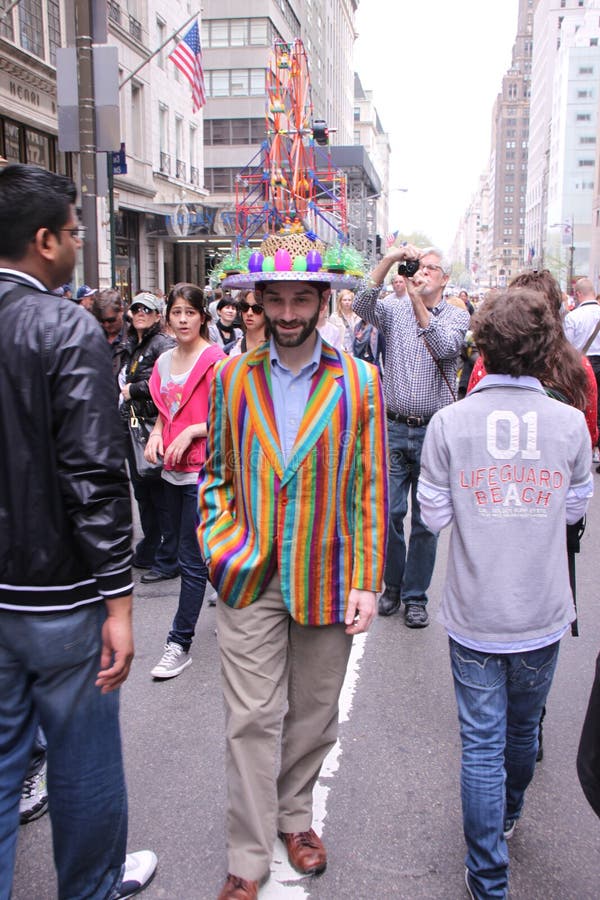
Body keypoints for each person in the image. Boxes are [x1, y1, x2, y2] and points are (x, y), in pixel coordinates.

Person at [198, 235, 388, 900]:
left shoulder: (360, 382)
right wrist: (219, 544)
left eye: (299, 297)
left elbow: (370, 487)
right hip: (247, 576)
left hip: (327, 575)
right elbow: (215, 473)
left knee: (313, 713)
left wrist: (367, 578)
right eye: (273, 298)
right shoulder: (229, 377)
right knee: (250, 718)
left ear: (322, 300)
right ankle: (247, 858)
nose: (285, 311)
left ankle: (294, 816)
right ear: (255, 301)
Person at [0, 163, 156, 898]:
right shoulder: (65, 326)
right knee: (83, 759)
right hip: (56, 594)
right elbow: (93, 473)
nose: (76, 241)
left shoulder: (62, 321)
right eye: (71, 232)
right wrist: (118, 602)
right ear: (43, 242)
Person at [417, 288, 593, 900]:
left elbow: (433, 517)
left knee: (482, 744)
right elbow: (574, 507)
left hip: (475, 610)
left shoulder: (449, 422)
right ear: (546, 350)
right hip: (542, 608)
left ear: (482, 347)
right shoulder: (569, 424)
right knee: (522, 733)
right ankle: (510, 811)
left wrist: (481, 504)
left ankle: (488, 876)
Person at [354, 244, 470, 627]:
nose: (422, 274)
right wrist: (390, 260)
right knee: (389, 513)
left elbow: (444, 345)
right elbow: (361, 302)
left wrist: (418, 302)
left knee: (425, 521)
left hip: (433, 431)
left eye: (431, 270)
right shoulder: (393, 308)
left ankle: (416, 597)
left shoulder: (455, 315)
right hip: (392, 426)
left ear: (445, 278)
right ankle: (392, 587)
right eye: (419, 268)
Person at [144, 284, 224, 678]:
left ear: (202, 317)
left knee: (191, 561)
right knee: (189, 552)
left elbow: (229, 421)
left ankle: (179, 643)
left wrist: (193, 430)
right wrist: (157, 432)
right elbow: (165, 410)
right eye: (176, 312)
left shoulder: (216, 362)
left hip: (202, 472)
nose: (182, 320)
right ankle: (231, 591)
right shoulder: (162, 362)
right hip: (171, 471)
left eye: (189, 313)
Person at [119, 291, 178, 583]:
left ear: (157, 315)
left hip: (153, 423)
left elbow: (164, 382)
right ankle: (151, 547)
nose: (140, 313)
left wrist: (135, 390)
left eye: (147, 309)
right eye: (136, 309)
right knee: (142, 489)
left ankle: (169, 554)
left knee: (158, 488)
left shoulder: (162, 343)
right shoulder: (133, 342)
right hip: (133, 421)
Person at [564, 277, 600, 458]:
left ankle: (587, 445)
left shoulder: (573, 316)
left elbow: (567, 346)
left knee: (582, 405)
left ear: (578, 294)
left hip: (581, 364)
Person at [93, 288, 128, 380]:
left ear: (121, 310)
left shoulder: (134, 336)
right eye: (102, 321)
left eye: (111, 320)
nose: (106, 325)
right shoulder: (93, 336)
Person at [228, 290, 270, 357]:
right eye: (245, 307)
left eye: (257, 308)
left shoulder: (280, 349)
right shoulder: (232, 350)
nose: (249, 313)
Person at [329, 288, 360, 352]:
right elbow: (331, 336)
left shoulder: (358, 316)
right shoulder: (334, 317)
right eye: (344, 300)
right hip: (341, 351)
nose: (347, 302)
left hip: (356, 351)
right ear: (340, 301)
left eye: (349, 300)